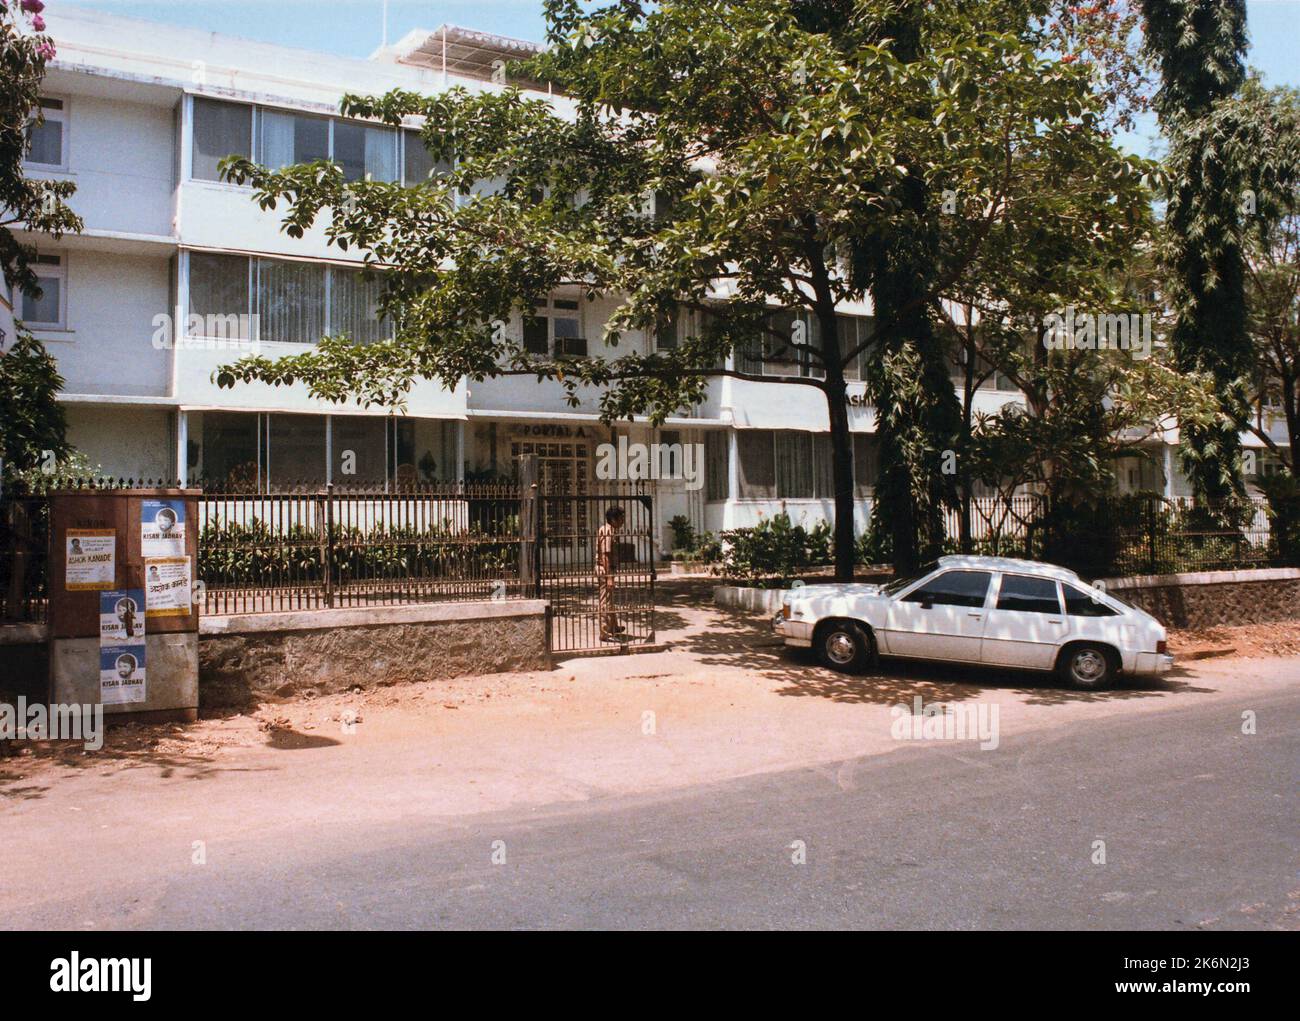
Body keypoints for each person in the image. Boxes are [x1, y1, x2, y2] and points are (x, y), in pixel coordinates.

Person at [596, 506, 626, 640]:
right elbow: (606, 555)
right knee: (605, 601)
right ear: (613, 519)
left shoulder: (608, 529)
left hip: (607, 569)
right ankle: (604, 632)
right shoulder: (608, 531)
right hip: (605, 569)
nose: (623, 521)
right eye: (621, 518)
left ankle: (613, 627)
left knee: (610, 599)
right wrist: (609, 577)